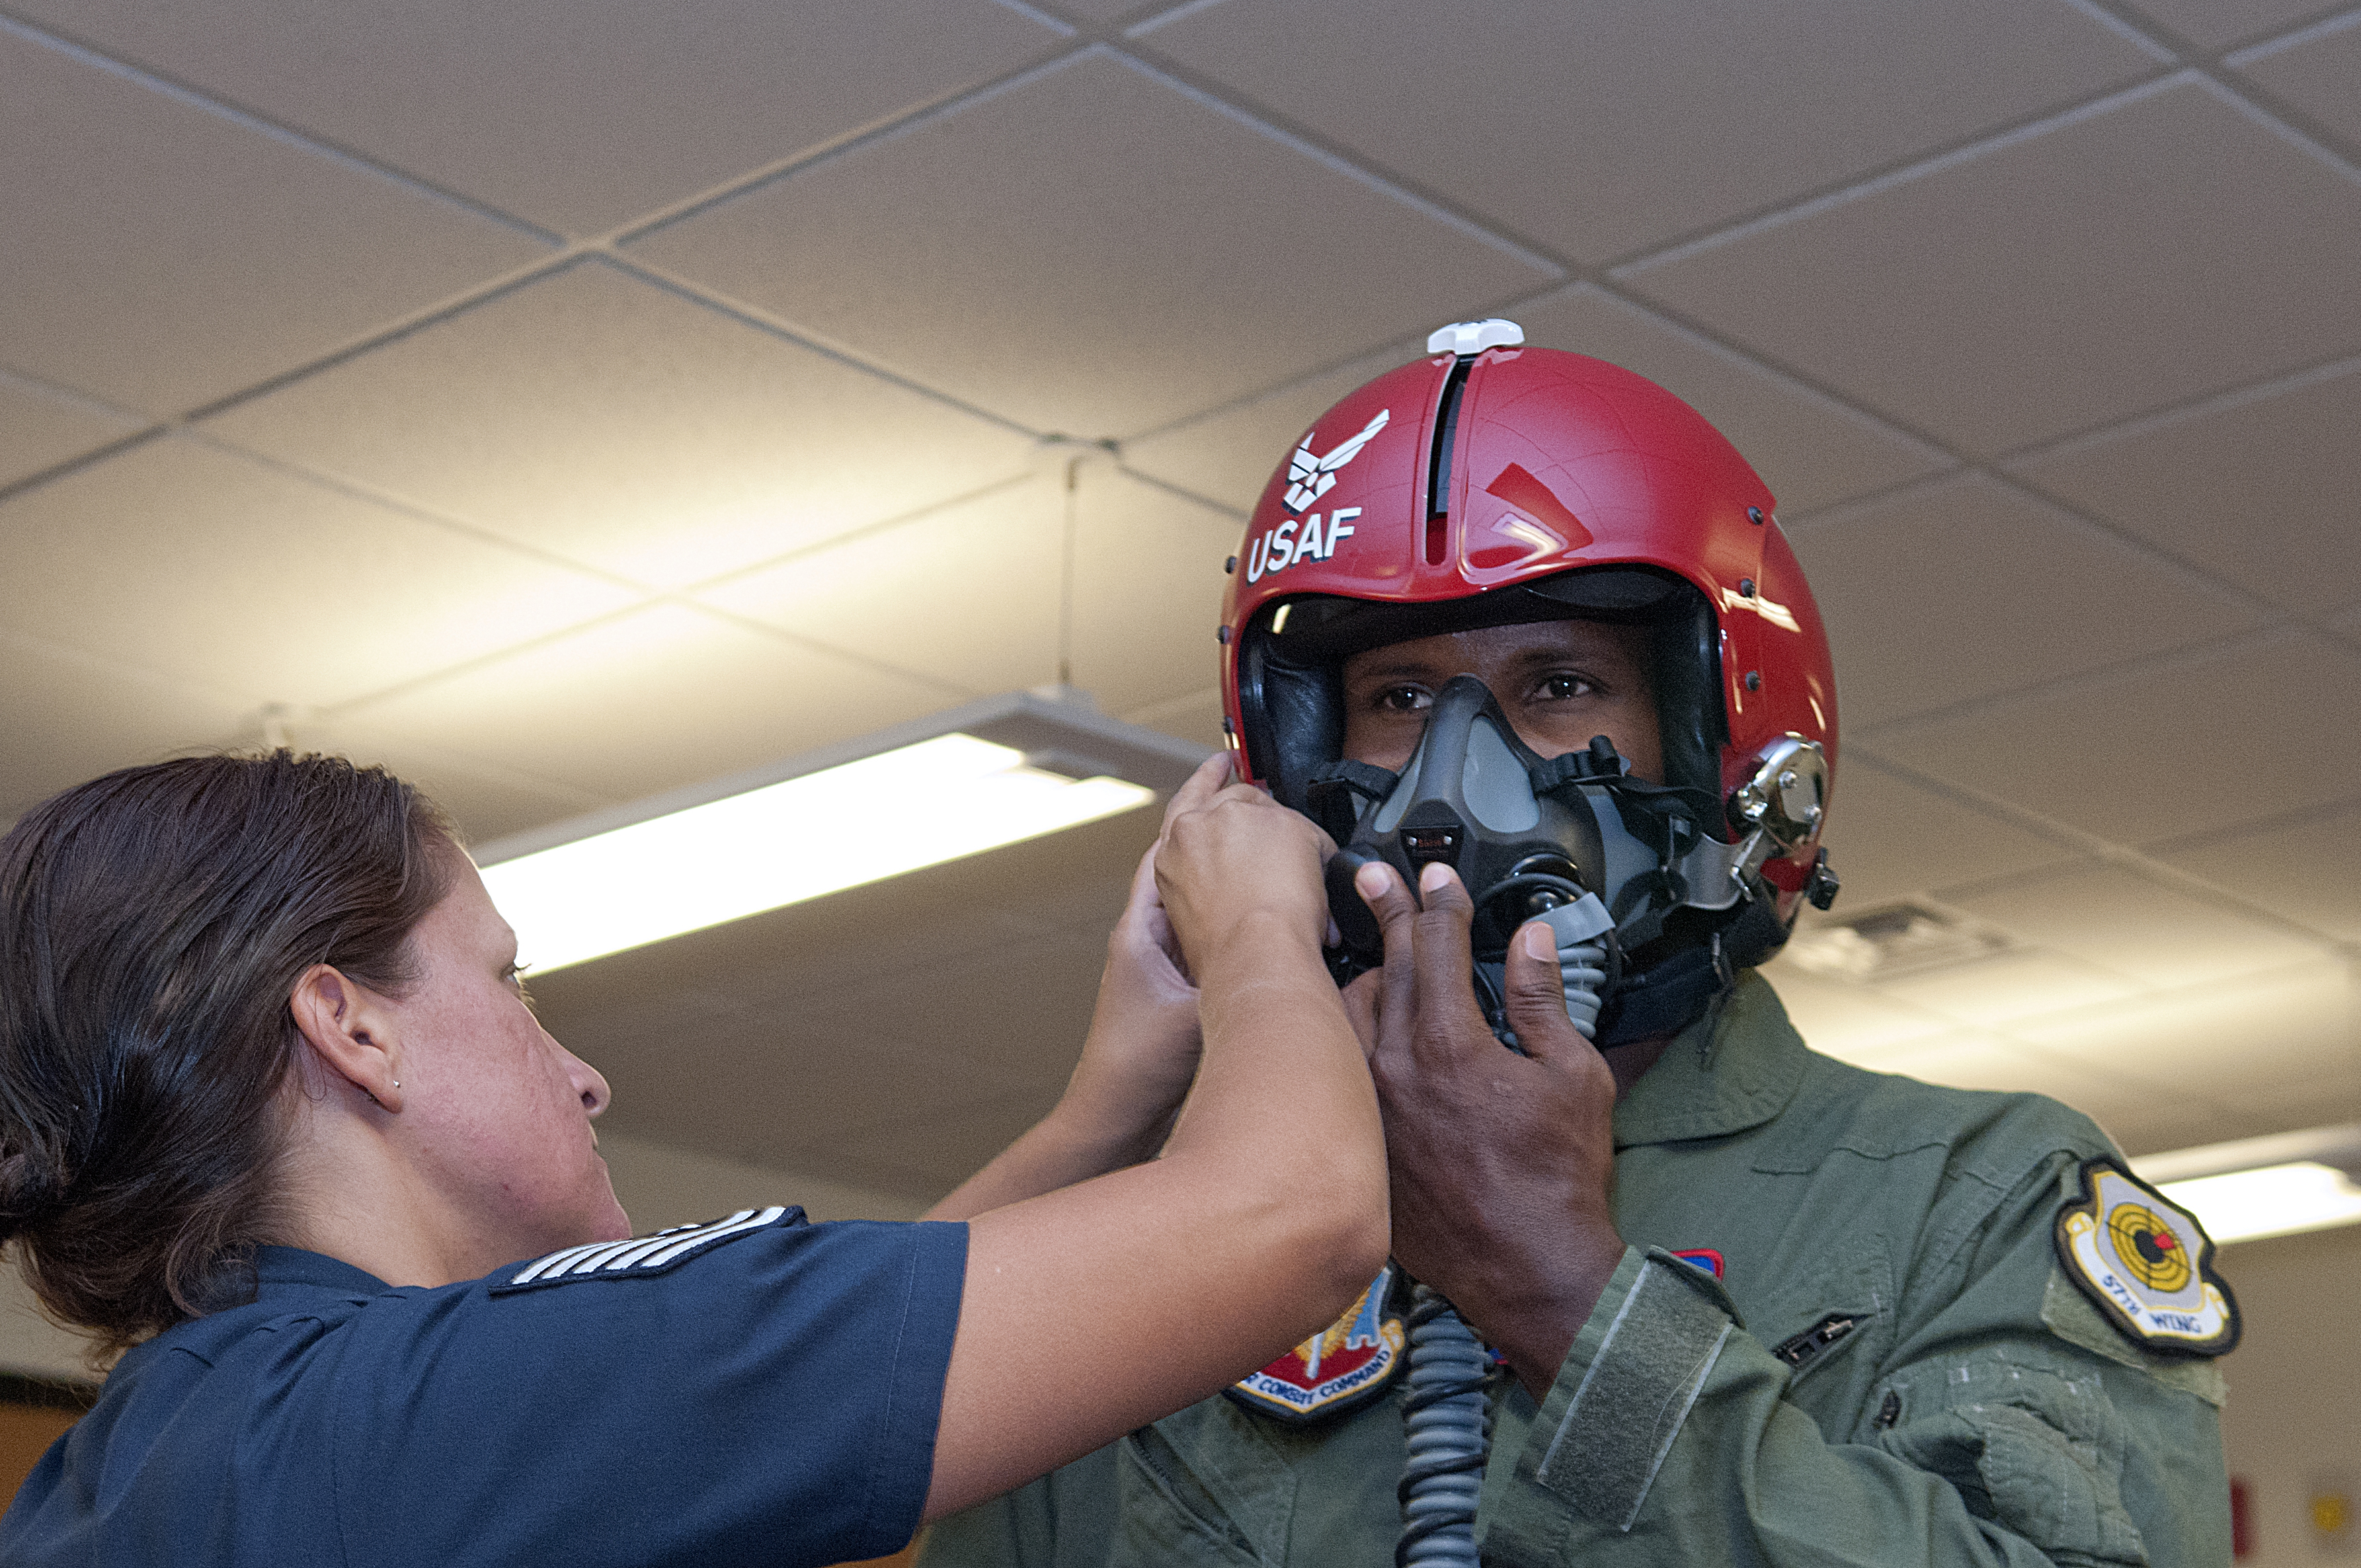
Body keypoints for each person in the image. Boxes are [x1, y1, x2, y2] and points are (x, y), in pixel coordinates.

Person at [920, 321, 2238, 1567]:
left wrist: (1562, 1291)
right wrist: (1125, 1101)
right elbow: (798, 1469)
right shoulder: (1189, 1230)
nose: (1454, 781)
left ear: (1725, 747)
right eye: (1395, 699)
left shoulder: (1967, 1196)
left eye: (1557, 687)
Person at [0, 746, 1389, 1567]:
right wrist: (1260, 930)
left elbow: (786, 1392)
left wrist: (1096, 1114)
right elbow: (1297, 1216)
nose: (584, 1072)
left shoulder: (159, 1459)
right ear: (350, 1028)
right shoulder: (426, 1410)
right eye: (510, 985)